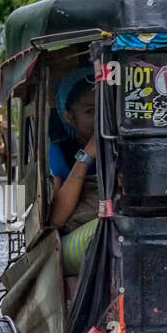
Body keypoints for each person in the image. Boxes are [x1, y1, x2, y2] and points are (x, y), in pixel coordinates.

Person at [48, 70, 99, 277]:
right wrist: (87, 155)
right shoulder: (59, 152)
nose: (100, 118)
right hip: (77, 236)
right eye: (90, 111)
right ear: (69, 116)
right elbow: (58, 219)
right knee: (101, 238)